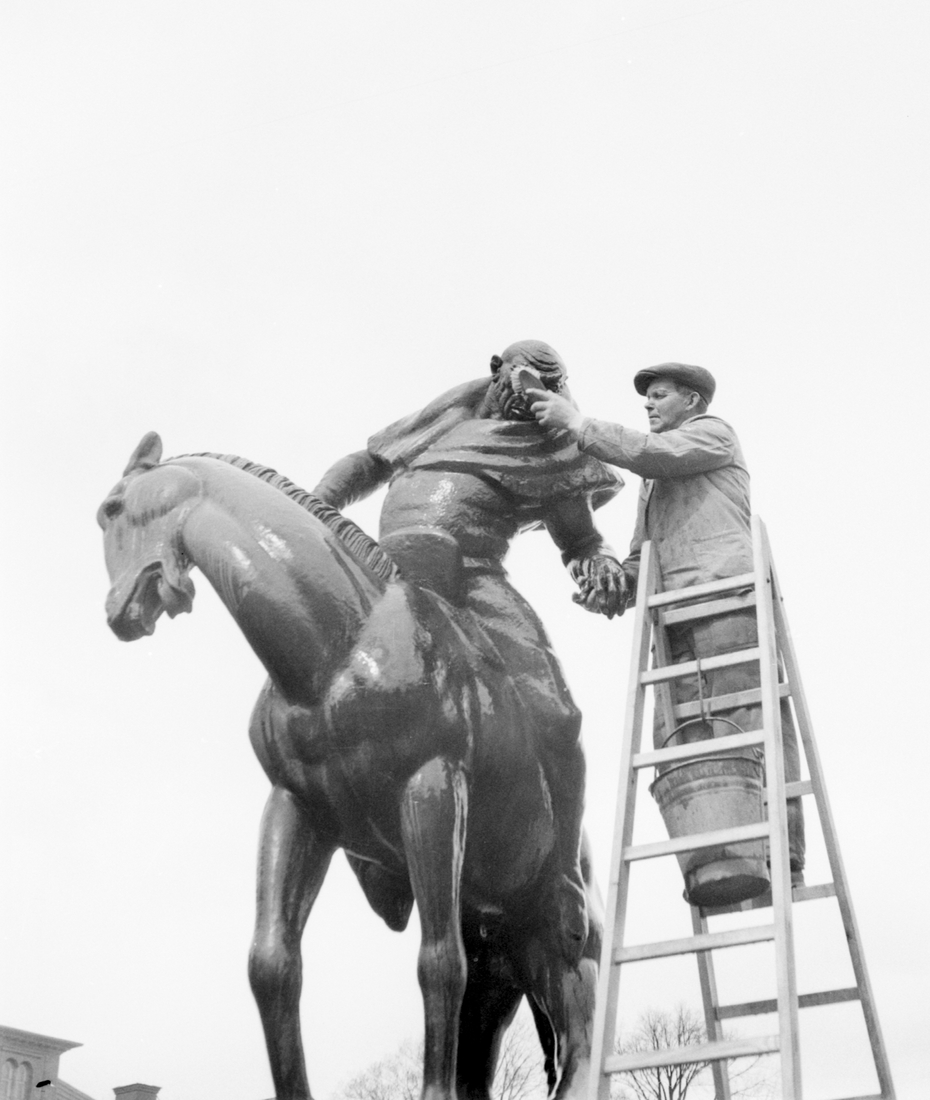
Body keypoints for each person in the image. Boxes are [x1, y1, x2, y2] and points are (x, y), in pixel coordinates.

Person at [313, 339, 629, 941]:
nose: (530, 398)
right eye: (523, 381)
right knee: (323, 681)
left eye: (546, 388)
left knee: (557, 715)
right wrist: (317, 505)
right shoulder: (451, 410)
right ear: (496, 371)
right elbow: (368, 463)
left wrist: (602, 564)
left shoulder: (549, 439)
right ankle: (373, 852)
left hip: (475, 578)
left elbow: (580, 539)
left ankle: (563, 870)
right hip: (386, 571)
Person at [529, 362, 805, 884]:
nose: (650, 406)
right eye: (647, 399)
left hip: (723, 599)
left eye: (659, 396)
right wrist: (613, 587)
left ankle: (780, 854)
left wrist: (578, 425)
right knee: (677, 736)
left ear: (693, 401)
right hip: (672, 615)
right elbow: (642, 553)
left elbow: (651, 452)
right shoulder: (653, 483)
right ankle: (718, 859)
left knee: (747, 719)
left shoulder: (713, 434)